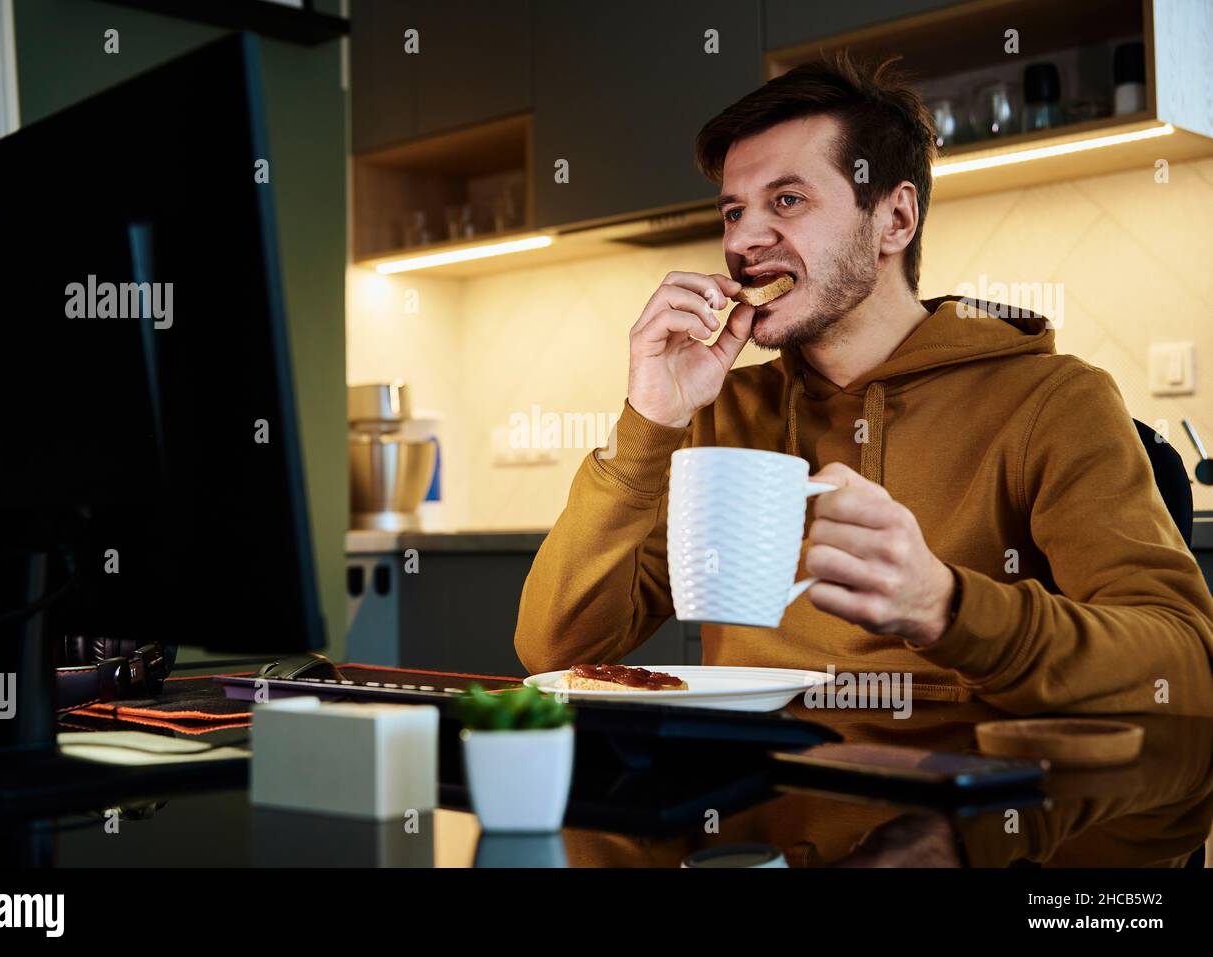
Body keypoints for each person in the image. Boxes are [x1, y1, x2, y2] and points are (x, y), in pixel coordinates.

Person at [513, 52, 1213, 715]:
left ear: (895, 218)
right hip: (754, 817)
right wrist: (649, 421)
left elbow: (1181, 666)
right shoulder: (723, 413)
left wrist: (946, 606)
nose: (744, 239)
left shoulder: (1053, 399)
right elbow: (558, 651)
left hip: (961, 818)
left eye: (786, 200)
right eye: (734, 210)